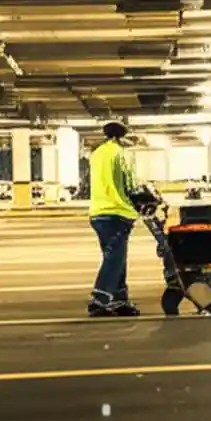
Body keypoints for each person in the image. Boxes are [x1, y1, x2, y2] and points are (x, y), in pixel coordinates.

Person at [87, 121, 140, 316]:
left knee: (114, 257)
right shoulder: (121, 154)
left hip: (97, 212)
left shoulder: (97, 153)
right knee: (115, 258)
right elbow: (131, 182)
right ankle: (99, 298)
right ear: (121, 136)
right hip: (118, 212)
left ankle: (119, 299)